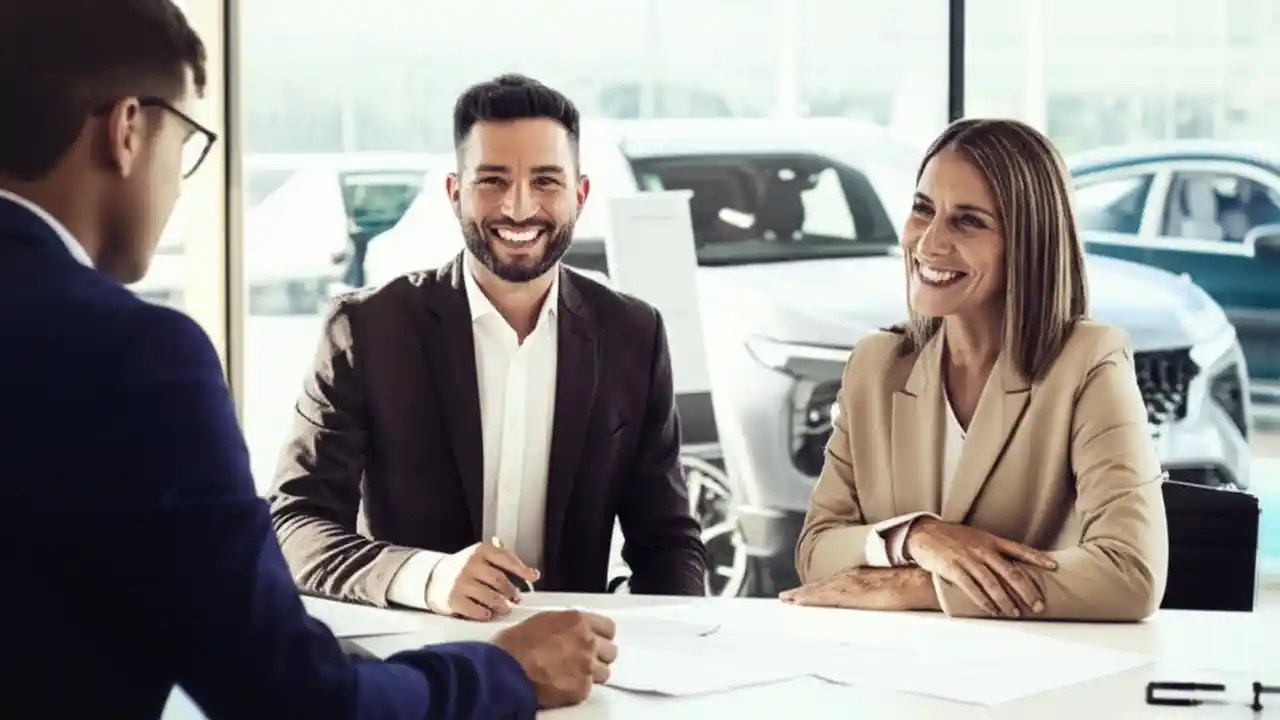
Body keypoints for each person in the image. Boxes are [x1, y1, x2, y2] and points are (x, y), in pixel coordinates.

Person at [0, 2, 615, 717]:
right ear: (128, 130)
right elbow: (289, 694)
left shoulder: (630, 331)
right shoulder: (136, 358)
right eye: (190, 142)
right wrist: (501, 673)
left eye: (545, 180)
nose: (178, 185)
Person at [269, 74, 707, 621]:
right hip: (414, 658)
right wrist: (425, 576)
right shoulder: (366, 329)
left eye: (545, 181)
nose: (519, 208)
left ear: (580, 194)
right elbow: (295, 525)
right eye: (493, 181)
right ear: (456, 194)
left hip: (575, 659)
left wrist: (673, 644)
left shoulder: (633, 335)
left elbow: (667, 542)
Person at [782, 118, 1169, 621]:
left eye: (967, 221)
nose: (929, 242)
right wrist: (916, 537)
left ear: (1028, 241)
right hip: (893, 674)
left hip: (1037, 676)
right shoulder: (877, 365)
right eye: (923, 209)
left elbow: (1129, 575)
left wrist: (919, 586)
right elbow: (817, 552)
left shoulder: (1088, 360)